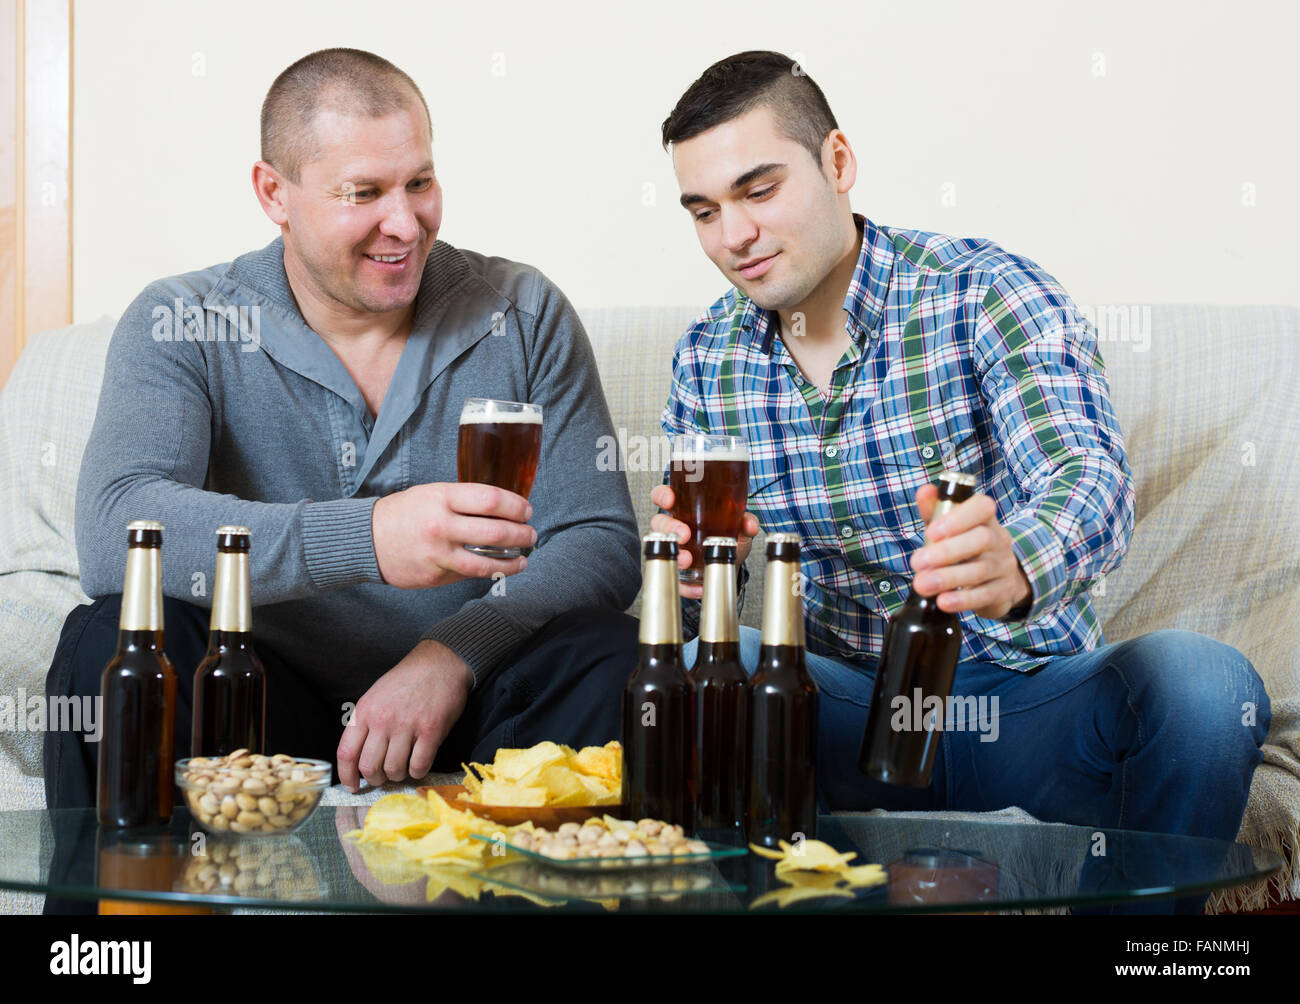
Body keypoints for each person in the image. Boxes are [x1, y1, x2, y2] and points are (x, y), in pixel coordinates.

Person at [650, 50, 1270, 913]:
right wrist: (691, 580)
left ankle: (1143, 948)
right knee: (712, 672)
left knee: (1207, 686)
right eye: (705, 211)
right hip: (847, 718)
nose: (734, 237)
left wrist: (1017, 557)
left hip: (1024, 704)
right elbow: (689, 612)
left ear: (837, 163)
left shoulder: (981, 292)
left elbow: (1084, 474)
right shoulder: (707, 357)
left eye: (759, 191)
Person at [45, 48, 640, 817]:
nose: (405, 223)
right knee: (108, 644)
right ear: (274, 193)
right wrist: (369, 538)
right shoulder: (184, 320)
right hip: (253, 710)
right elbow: (113, 533)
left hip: (475, 710)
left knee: (612, 658)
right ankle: (127, 929)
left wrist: (453, 653)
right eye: (364, 193)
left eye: (420, 183)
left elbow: (597, 536)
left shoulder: (520, 312)